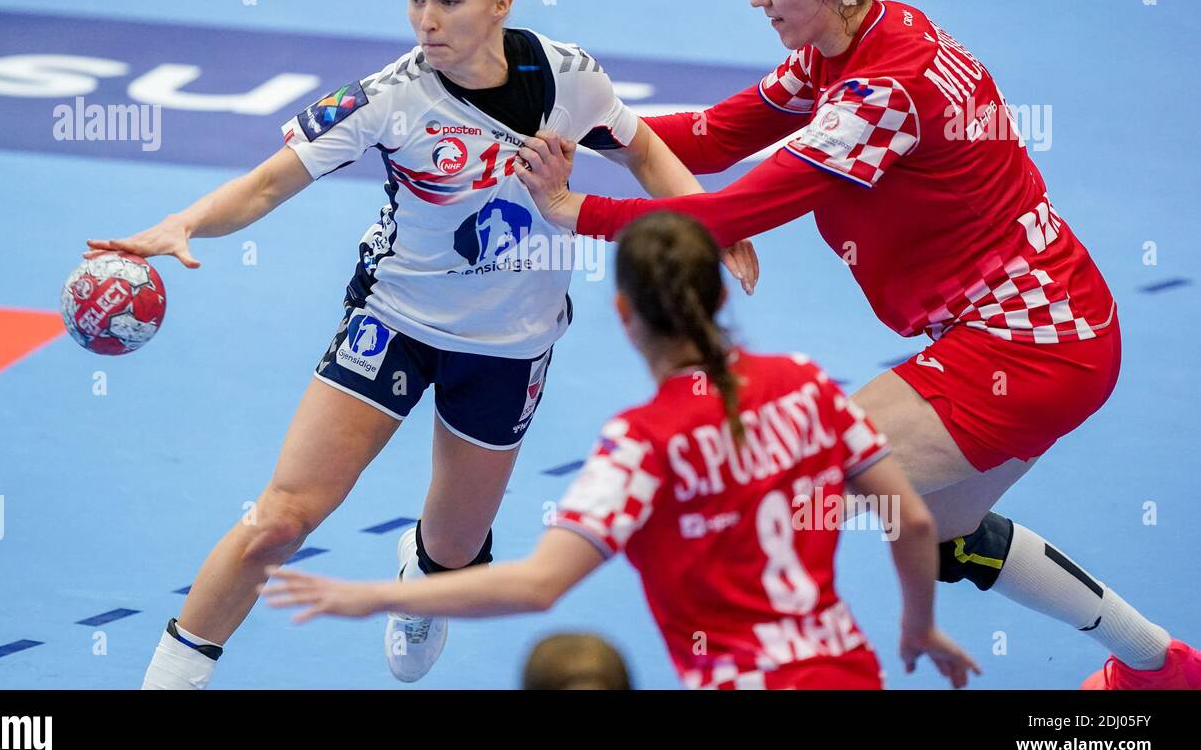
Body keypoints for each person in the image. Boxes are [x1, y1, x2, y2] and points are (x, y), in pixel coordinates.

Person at [511, 0, 1200, 690]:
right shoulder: (856, 41)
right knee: (942, 534)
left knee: (796, 476)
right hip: (1045, 326)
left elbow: (735, 209)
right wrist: (573, 117)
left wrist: (578, 210)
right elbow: (715, 134)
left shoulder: (882, 94)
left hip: (1027, 348)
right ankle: (1157, 669)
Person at [85, 0, 750, 688]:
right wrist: (186, 222)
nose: (427, 20)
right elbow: (269, 182)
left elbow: (643, 150)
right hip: (395, 319)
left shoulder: (570, 77)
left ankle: (423, 579)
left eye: (449, 0)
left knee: (456, 551)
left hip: (510, 342)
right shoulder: (389, 98)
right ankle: (172, 678)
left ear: (503, 2)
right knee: (282, 520)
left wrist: (716, 221)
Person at [262, 213, 980, 690]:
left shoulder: (642, 446)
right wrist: (920, 627)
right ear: (716, 296)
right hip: (849, 671)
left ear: (624, 314)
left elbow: (536, 585)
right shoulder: (808, 387)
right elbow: (912, 522)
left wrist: (374, 595)